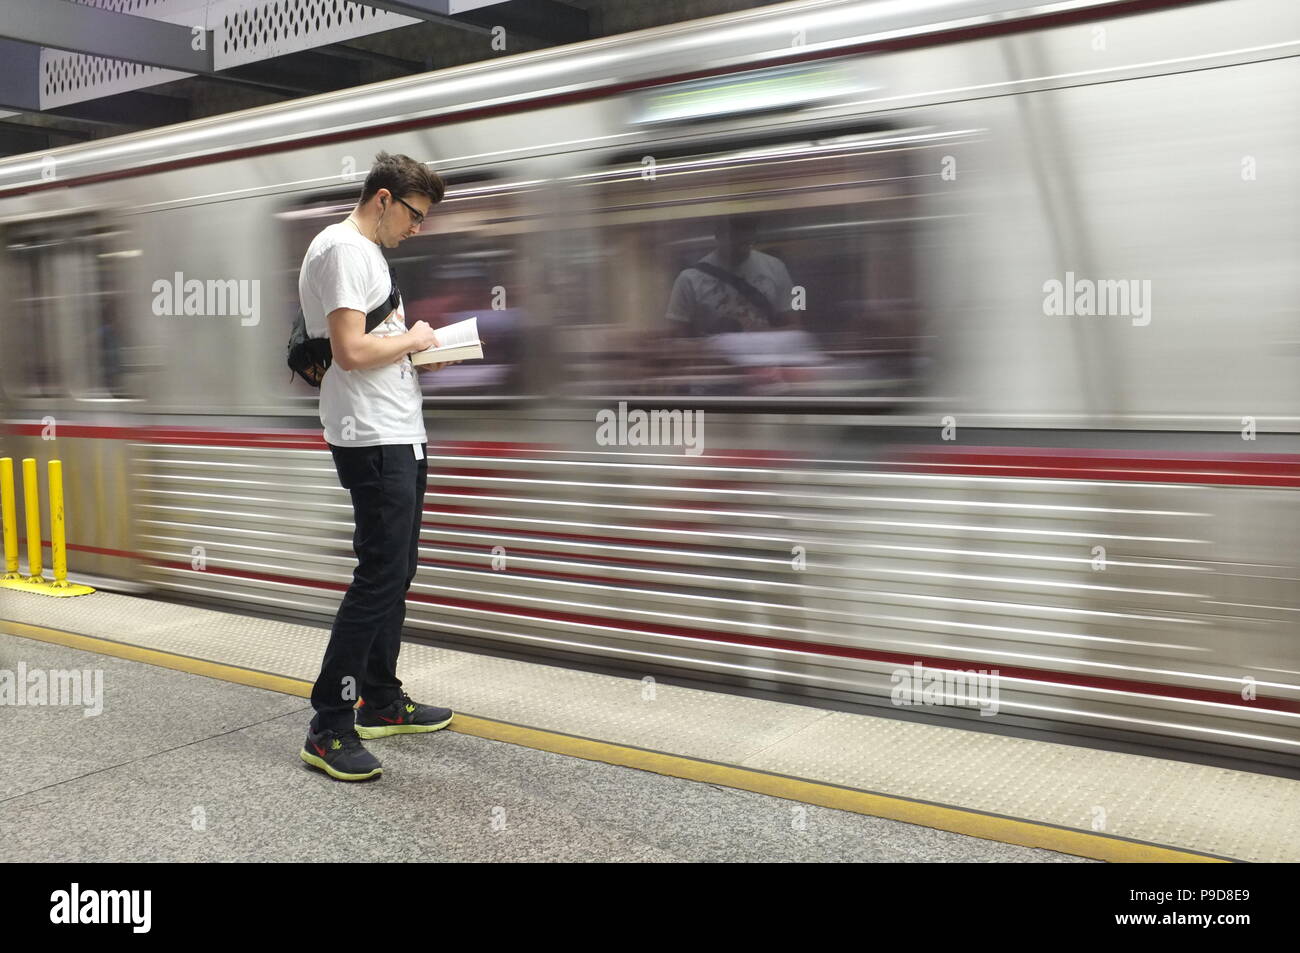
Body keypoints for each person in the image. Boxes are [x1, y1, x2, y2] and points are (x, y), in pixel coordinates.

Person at [296, 151, 457, 782]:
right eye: (415, 216)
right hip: (372, 438)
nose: (418, 228)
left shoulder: (369, 254)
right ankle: (328, 726)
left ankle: (381, 700)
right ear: (384, 199)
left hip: (400, 432)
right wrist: (414, 339)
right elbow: (351, 349)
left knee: (396, 571)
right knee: (379, 576)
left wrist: (419, 356)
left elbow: (375, 348)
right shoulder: (342, 249)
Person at [665, 214, 795, 337]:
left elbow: (794, 325)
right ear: (718, 235)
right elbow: (678, 336)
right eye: (734, 240)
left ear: (753, 235)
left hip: (766, 356)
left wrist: (762, 335)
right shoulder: (689, 279)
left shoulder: (776, 267)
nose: (741, 248)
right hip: (714, 358)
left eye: (746, 242)